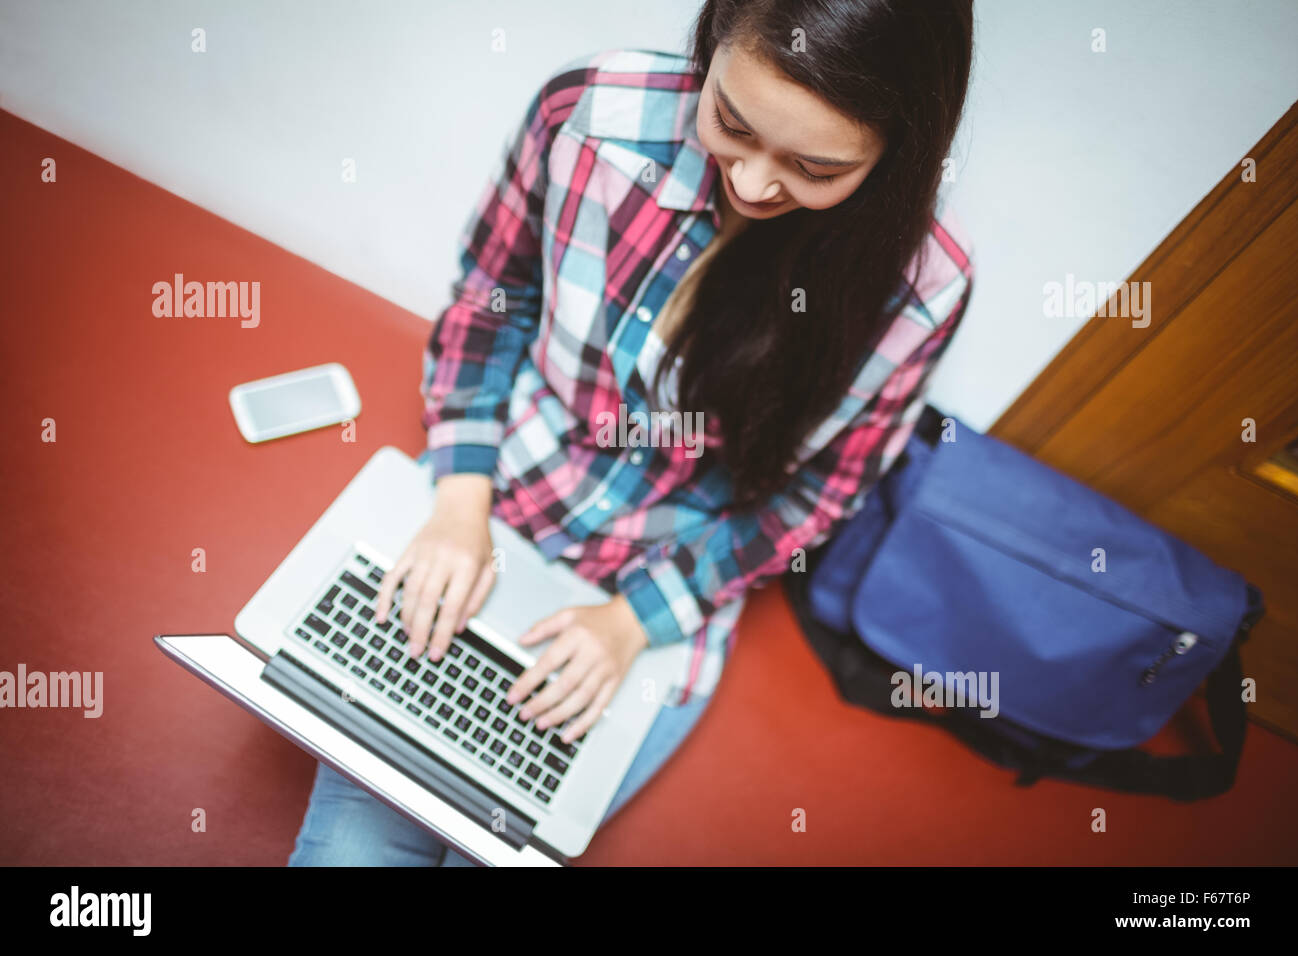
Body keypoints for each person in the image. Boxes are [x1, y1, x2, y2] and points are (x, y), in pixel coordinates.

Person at [288, 0, 975, 866]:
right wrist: (459, 502)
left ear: (898, 153)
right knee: (357, 839)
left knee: (496, 845)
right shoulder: (588, 115)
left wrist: (630, 623)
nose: (756, 185)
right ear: (715, 34)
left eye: (814, 167)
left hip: (671, 581)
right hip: (502, 489)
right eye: (732, 122)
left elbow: (816, 495)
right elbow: (489, 304)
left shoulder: (924, 289)